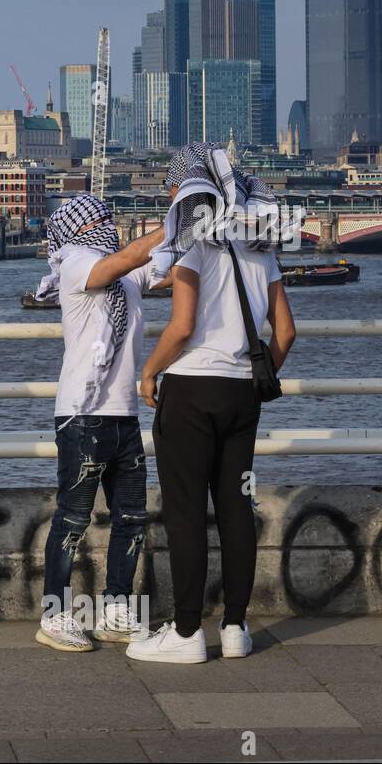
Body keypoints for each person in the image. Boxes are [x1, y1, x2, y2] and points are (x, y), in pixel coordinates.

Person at [129, 142, 296, 665]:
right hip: (243, 394)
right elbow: (286, 333)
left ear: (188, 189)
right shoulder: (259, 249)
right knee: (234, 508)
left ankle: (184, 634)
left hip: (191, 393)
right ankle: (236, 627)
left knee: (185, 513)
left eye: (172, 187)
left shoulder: (192, 247)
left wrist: (149, 371)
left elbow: (181, 329)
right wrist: (251, 372)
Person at [34, 194, 169, 653]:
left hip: (123, 414)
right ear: (76, 228)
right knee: (72, 519)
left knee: (132, 517)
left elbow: (159, 263)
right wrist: (176, 220)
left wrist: (201, 218)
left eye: (106, 217)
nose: (105, 224)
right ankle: (54, 616)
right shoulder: (74, 263)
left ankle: (115, 607)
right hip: (81, 414)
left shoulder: (124, 274)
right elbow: (132, 255)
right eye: (98, 218)